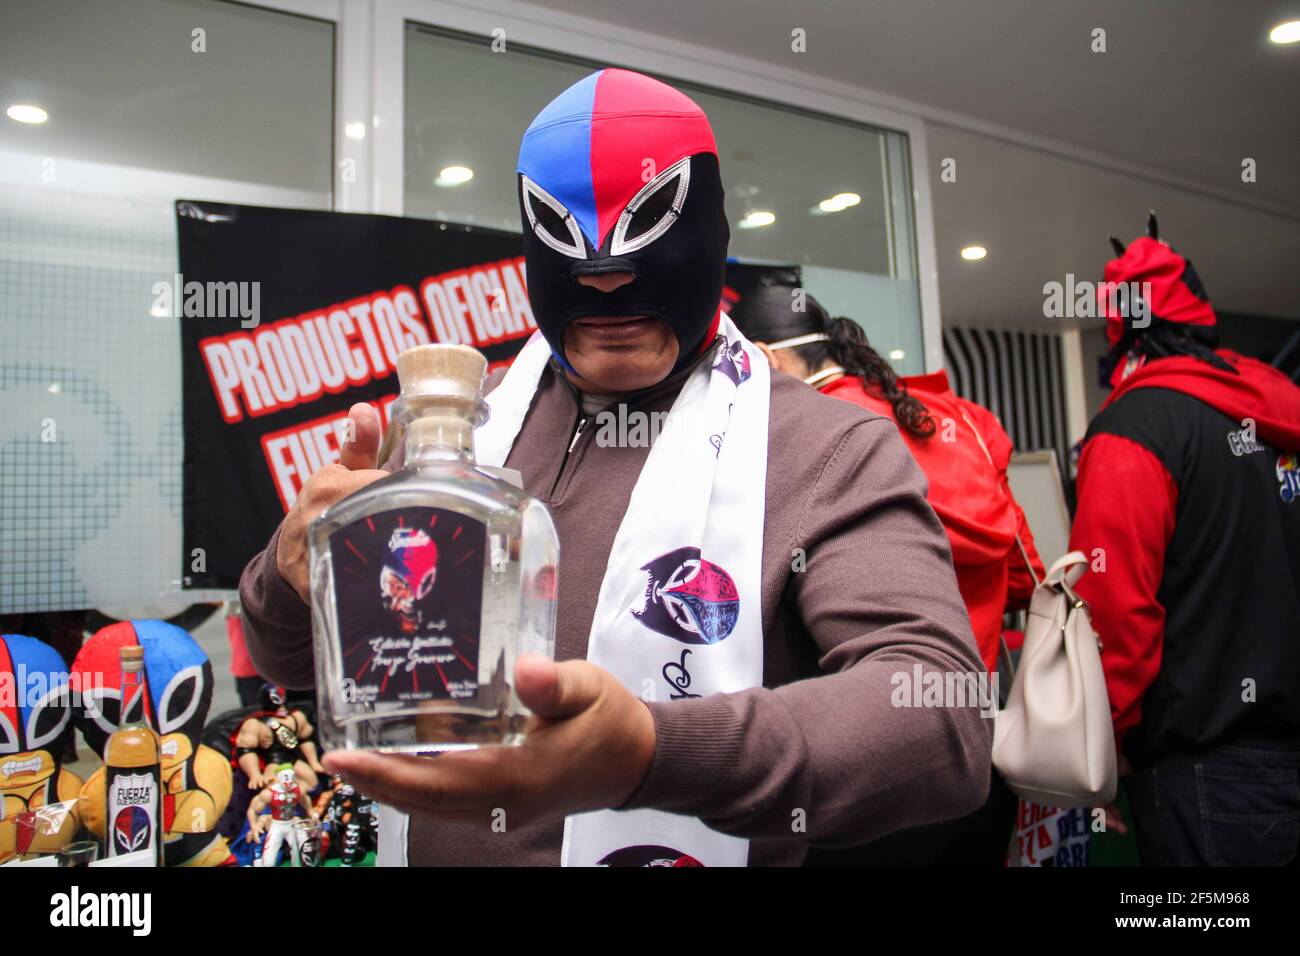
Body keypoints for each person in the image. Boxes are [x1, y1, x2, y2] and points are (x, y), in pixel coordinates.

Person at [240, 68, 990, 866]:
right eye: (568, 243)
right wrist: (290, 573)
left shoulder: (823, 448)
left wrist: (652, 752)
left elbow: (941, 719)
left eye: (646, 234)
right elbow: (298, 665)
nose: (604, 276)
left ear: (714, 236)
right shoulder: (458, 431)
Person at [733, 285, 1044, 865]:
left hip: (867, 776)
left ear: (762, 359)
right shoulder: (965, 423)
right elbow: (1025, 575)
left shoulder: (809, 438)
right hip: (980, 761)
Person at [1069, 214, 1300, 866]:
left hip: (1204, 774)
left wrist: (1103, 748)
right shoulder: (1279, 408)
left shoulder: (1134, 427)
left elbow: (1115, 613)